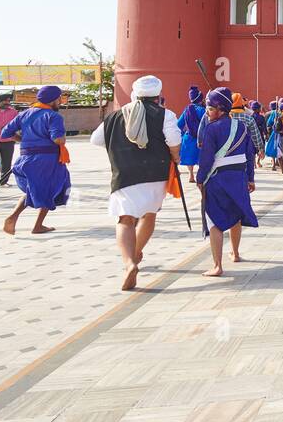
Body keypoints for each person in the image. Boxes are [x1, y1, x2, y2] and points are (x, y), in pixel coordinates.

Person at [91, 75, 182, 290]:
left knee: (125, 219)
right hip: (155, 172)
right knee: (149, 215)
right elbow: (174, 141)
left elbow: (96, 140)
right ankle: (137, 252)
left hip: (124, 174)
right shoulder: (165, 115)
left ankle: (129, 262)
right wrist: (175, 156)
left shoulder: (114, 117)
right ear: (158, 95)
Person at [195, 87, 258, 277]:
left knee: (214, 221)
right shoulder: (242, 127)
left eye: (210, 108)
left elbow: (206, 159)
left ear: (221, 109)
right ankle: (236, 253)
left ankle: (217, 265)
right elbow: (250, 154)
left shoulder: (211, 129)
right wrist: (250, 178)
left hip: (217, 179)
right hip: (238, 178)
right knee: (235, 215)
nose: (207, 111)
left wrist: (199, 179)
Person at [0, 85, 72, 235]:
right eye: (59, 98)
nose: (60, 101)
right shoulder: (53, 116)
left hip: (25, 159)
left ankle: (16, 218)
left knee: (32, 189)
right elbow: (58, 139)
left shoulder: (24, 114)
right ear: (53, 99)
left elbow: (5, 133)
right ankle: (35, 225)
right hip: (46, 161)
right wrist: (63, 138)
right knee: (49, 190)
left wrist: (23, 139)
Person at [177, 85, 205, 182]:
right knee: (202, 158)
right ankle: (201, 175)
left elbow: (179, 124)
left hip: (189, 137)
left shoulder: (187, 110)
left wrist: (181, 135)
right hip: (201, 138)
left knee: (189, 156)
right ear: (200, 99)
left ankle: (191, 175)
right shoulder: (203, 110)